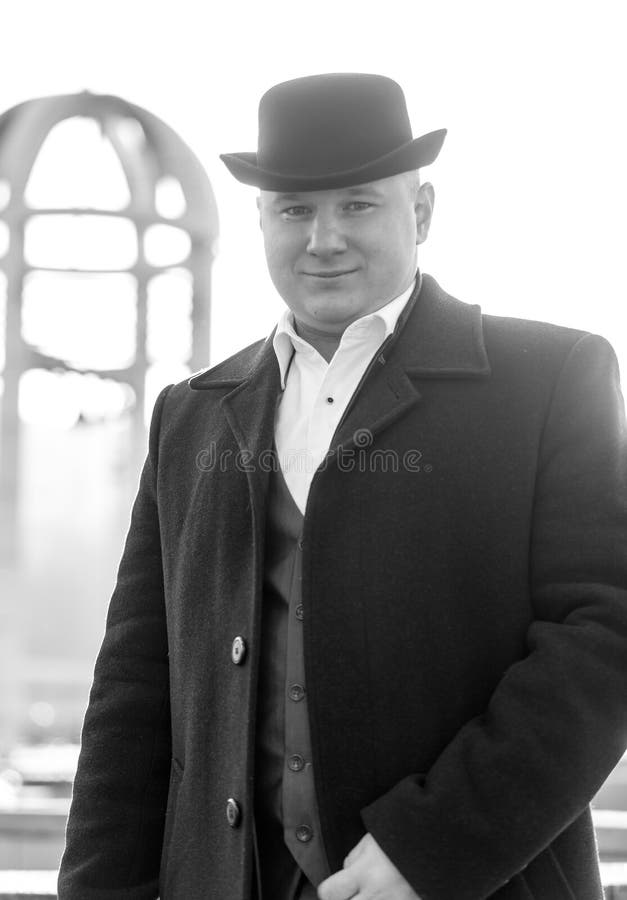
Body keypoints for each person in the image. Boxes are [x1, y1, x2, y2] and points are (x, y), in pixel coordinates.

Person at [58, 73, 627, 900]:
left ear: (421, 212)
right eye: (294, 209)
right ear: (261, 221)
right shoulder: (190, 414)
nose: (323, 237)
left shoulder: (549, 378)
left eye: (357, 204)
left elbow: (606, 633)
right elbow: (136, 684)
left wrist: (428, 848)